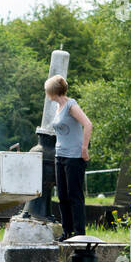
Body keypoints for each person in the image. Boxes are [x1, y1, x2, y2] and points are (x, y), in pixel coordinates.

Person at [45, 75, 93, 238]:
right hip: (60, 155)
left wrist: (84, 149)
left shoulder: (71, 105)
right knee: (62, 195)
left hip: (74, 157)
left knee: (75, 195)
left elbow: (88, 124)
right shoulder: (57, 108)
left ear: (52, 91)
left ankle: (79, 232)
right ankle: (67, 231)